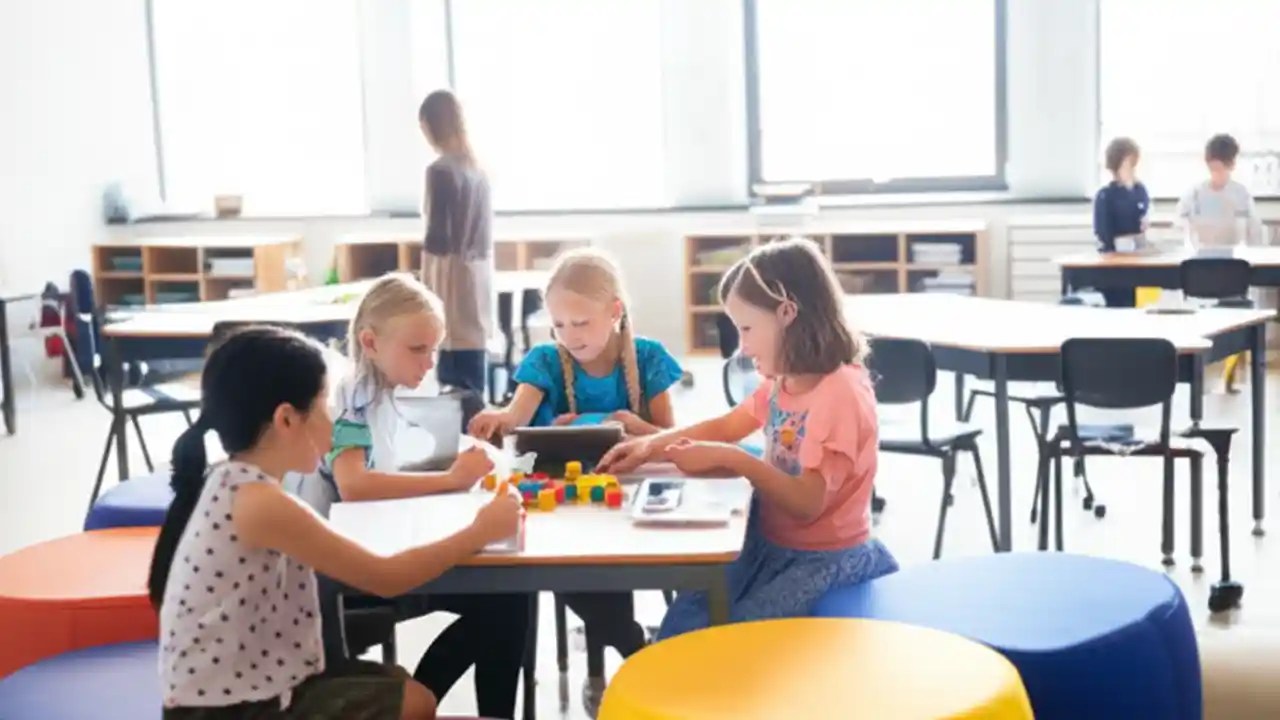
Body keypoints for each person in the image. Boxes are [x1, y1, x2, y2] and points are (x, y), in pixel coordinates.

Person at [149, 326, 523, 719]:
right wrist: (480, 532)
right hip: (234, 710)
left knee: (415, 696)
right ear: (287, 420)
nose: (334, 423)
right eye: (326, 407)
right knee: (414, 702)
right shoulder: (257, 502)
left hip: (264, 682)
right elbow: (385, 578)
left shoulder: (239, 483)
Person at [598, 237, 899, 640]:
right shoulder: (783, 380)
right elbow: (726, 426)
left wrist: (735, 460)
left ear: (788, 314)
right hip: (766, 543)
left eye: (747, 328)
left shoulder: (840, 392)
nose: (741, 346)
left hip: (824, 561)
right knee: (680, 628)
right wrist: (650, 446)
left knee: (736, 638)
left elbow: (808, 503)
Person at [468, 248, 683, 715]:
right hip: (557, 503)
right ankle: (634, 651)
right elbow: (514, 420)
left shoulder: (648, 359)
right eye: (559, 325)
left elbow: (673, 438)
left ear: (615, 312)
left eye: (581, 323)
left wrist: (630, 424)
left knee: (608, 560)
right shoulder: (546, 361)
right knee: (556, 562)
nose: (569, 336)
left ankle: (623, 660)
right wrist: (495, 419)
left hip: (627, 500)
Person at [322, 273, 529, 717]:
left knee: (510, 597)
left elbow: (401, 462)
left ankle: (458, 706)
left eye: (434, 349)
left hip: (384, 547)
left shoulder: (387, 394)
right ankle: (422, 700)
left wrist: (466, 453)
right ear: (370, 342)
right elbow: (354, 483)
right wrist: (452, 479)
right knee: (504, 600)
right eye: (418, 350)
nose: (429, 362)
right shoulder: (351, 397)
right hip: (349, 574)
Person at [418, 89, 493, 405]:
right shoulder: (478, 170)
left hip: (447, 280)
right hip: (477, 276)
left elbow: (437, 240)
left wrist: (422, 289)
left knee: (451, 384)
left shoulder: (440, 171)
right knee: (473, 378)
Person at [1092, 137, 1150, 307]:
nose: (1132, 169)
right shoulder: (1106, 195)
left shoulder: (1139, 190)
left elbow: (1143, 218)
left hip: (1137, 257)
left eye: (1134, 164)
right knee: (1118, 302)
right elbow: (1102, 232)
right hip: (1113, 261)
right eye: (1128, 164)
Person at [1177, 133, 1263, 248]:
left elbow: (1254, 233)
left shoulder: (1241, 194)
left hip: (1233, 258)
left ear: (1232, 165)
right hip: (1200, 257)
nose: (1217, 173)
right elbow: (1179, 225)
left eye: (1221, 168)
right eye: (1213, 169)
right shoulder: (1194, 194)